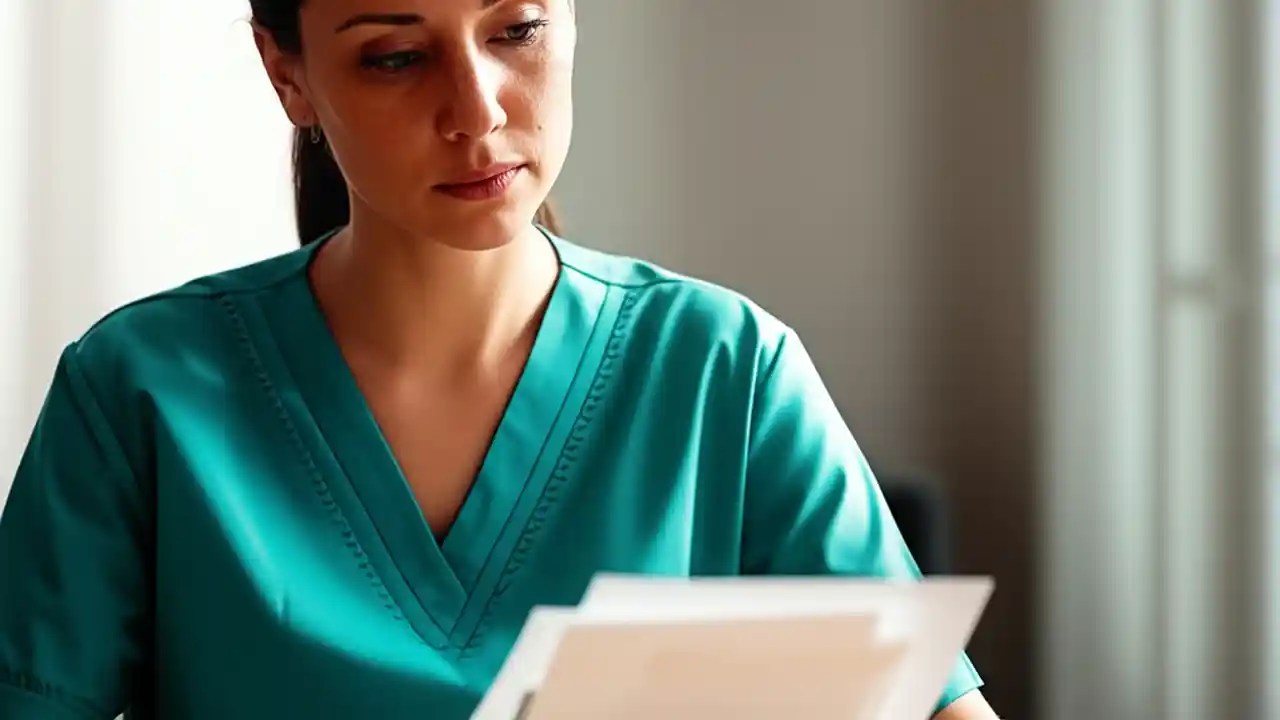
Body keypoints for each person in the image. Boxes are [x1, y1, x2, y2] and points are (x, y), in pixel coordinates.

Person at [0, 1, 1001, 718]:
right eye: (395, 55)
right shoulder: (136, 392)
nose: (476, 111)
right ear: (286, 73)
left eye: (514, 31)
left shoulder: (725, 369)